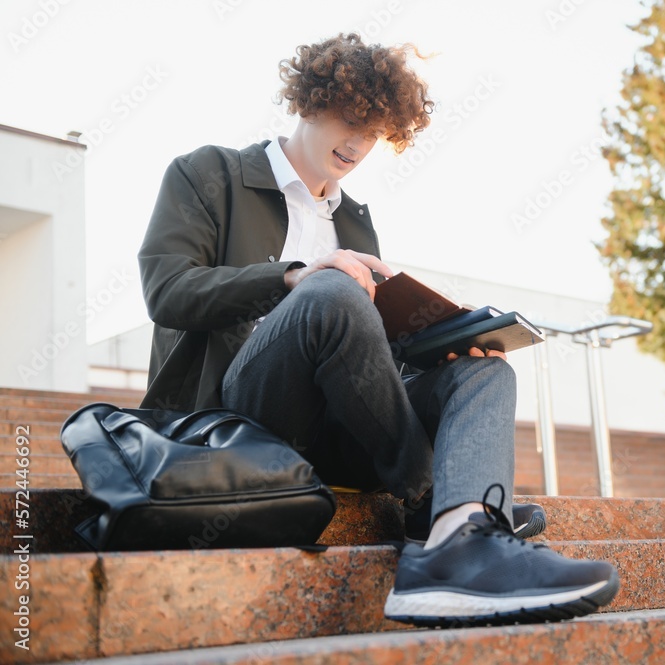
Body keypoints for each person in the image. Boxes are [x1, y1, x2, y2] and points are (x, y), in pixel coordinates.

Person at [137, 32, 619, 627]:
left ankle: (451, 548)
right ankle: (438, 506)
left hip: (340, 436)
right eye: (351, 119)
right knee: (334, 289)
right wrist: (291, 277)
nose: (361, 142)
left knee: (483, 370)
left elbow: (369, 362)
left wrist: (438, 350)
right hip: (237, 417)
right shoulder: (208, 173)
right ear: (309, 101)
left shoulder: (356, 223)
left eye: (377, 130)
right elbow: (168, 290)